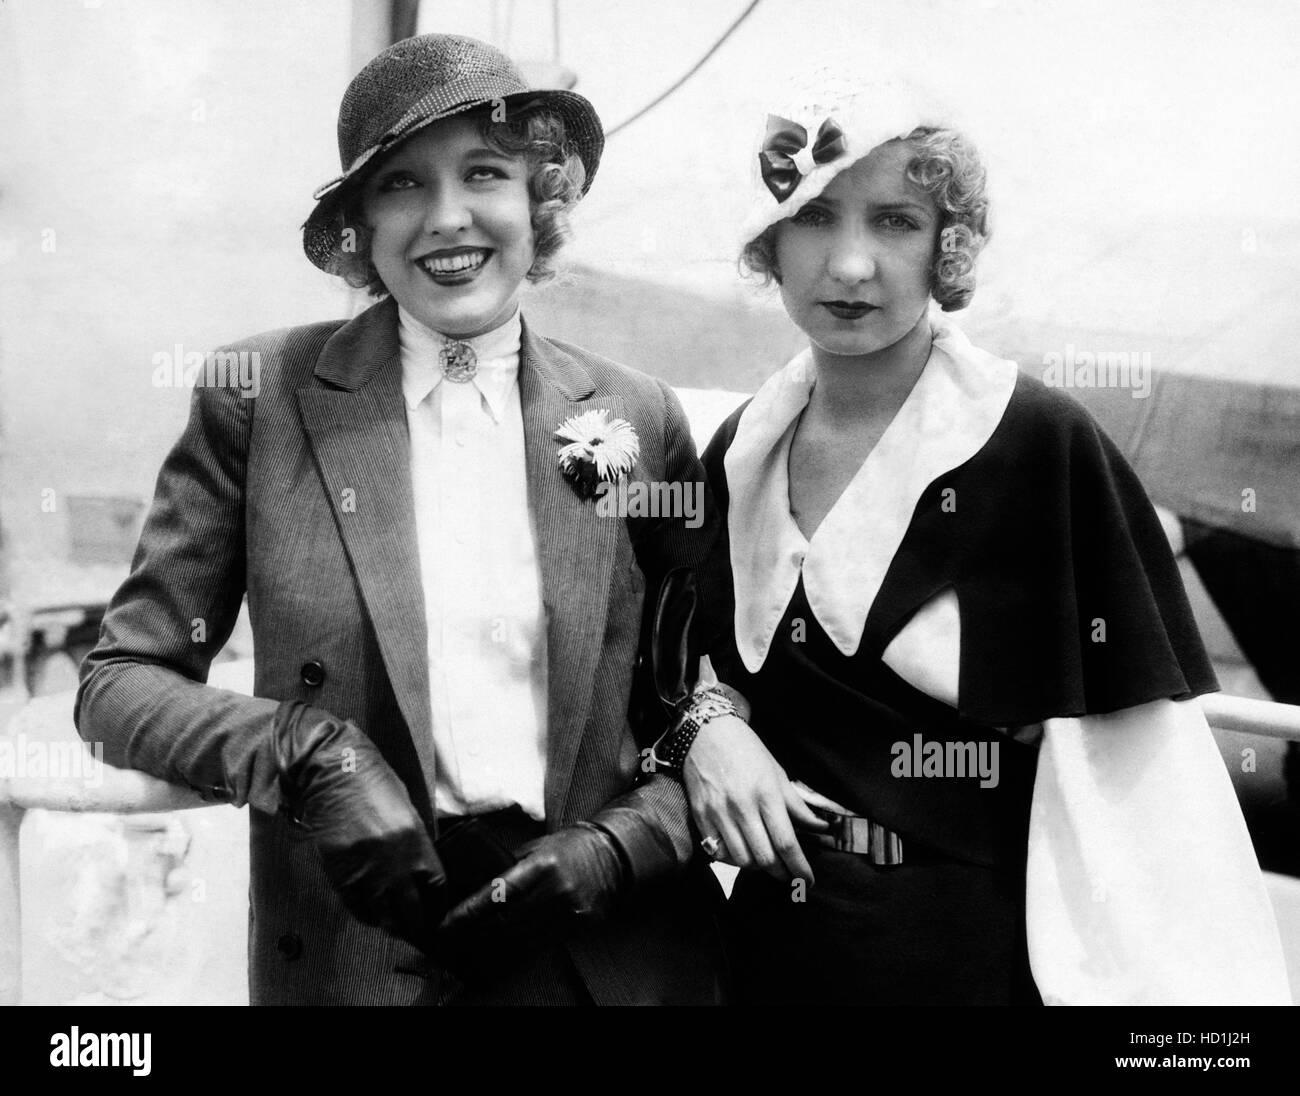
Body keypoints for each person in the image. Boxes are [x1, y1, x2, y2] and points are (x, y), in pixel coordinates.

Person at [75, 33, 727, 1006]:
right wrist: (307, 755)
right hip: (365, 952)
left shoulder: (634, 415)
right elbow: (119, 683)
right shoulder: (261, 396)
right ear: (361, 227)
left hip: (602, 957)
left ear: (539, 199)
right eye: (402, 184)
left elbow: (710, 703)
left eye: (484, 173)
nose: (447, 216)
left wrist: (619, 847)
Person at [660, 77, 1292, 1005]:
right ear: (770, 242)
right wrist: (707, 730)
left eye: (896, 222)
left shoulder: (1037, 444)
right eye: (815, 217)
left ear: (946, 245)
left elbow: (1144, 787)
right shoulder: (741, 447)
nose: (850, 265)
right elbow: (681, 666)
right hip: (762, 956)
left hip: (971, 963)